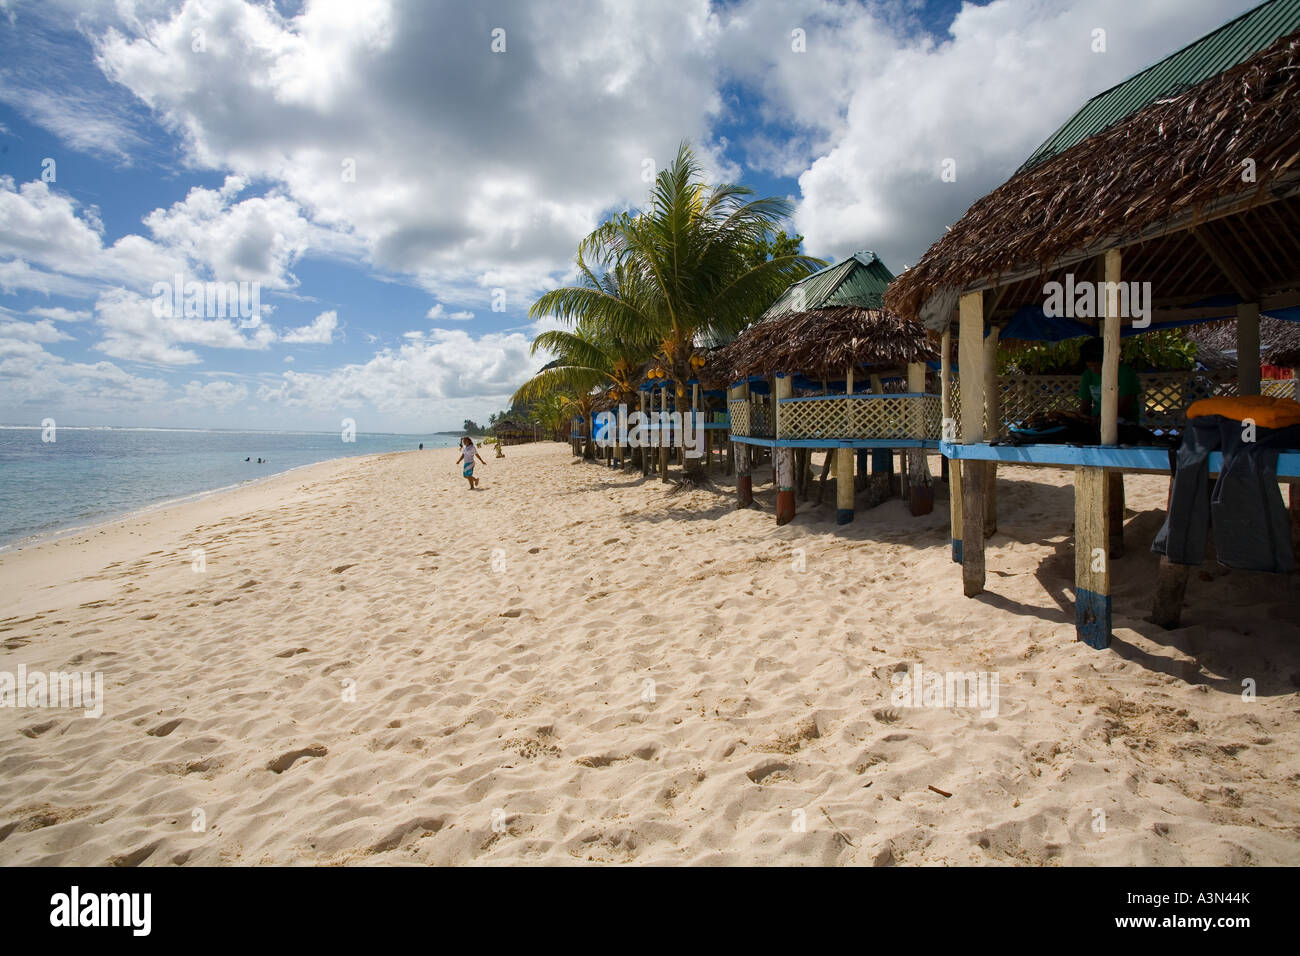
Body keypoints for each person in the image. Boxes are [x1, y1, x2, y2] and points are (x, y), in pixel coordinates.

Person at [1078, 337, 1140, 423]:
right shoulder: (1087, 375)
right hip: (1096, 422)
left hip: (1124, 424)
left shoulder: (1125, 372)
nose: (1094, 369)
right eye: (1090, 366)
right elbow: (1084, 407)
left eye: (1098, 366)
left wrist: (1101, 421)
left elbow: (1125, 408)